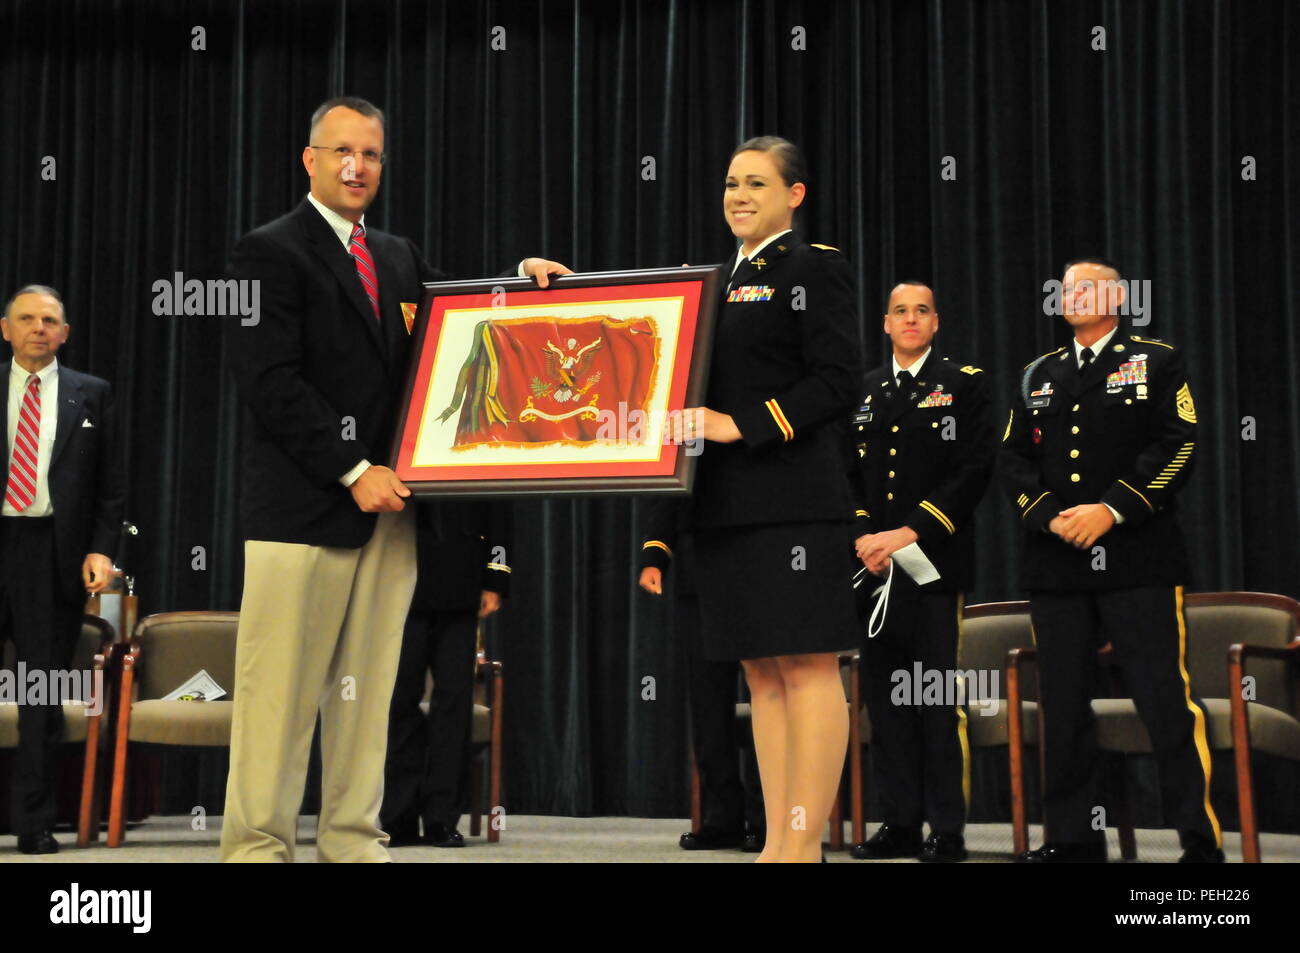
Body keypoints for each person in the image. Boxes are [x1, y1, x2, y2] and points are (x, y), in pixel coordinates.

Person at [221, 95, 569, 862]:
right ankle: (255, 847)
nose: (357, 166)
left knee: (370, 691)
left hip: (394, 514)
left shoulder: (398, 255)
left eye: (371, 154)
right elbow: (270, 382)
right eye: (341, 151)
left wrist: (520, 280)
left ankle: (350, 836)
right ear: (310, 160)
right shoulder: (267, 252)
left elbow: (459, 319)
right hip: (303, 512)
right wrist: (352, 469)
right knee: (278, 695)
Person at [673, 136, 862, 863]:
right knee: (760, 670)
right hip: (722, 505)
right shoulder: (711, 281)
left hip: (793, 501)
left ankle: (802, 841)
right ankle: (779, 842)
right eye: (729, 183)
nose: (739, 195)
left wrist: (740, 425)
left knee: (809, 664)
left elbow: (838, 381)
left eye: (756, 182)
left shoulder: (816, 269)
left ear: (795, 195)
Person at [1001, 256, 1222, 863]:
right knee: (1064, 704)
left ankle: (1197, 842)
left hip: (1137, 557)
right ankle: (1072, 839)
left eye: (1088, 288)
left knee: (1162, 700)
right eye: (1066, 290)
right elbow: (1014, 461)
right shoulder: (1037, 374)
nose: (1073, 296)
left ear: (1118, 299)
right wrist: (1047, 514)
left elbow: (1180, 445)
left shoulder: (1155, 360)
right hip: (1057, 562)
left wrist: (1112, 509)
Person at [846, 281, 995, 862]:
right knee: (886, 704)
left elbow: (974, 470)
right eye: (900, 312)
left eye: (921, 311)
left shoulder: (964, 385)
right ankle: (901, 824)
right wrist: (863, 536)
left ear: (936, 322)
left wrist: (907, 531)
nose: (910, 320)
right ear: (885, 324)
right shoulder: (864, 392)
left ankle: (947, 831)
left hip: (933, 565)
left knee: (932, 700)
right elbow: (849, 477)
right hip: (875, 571)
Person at [0, 285, 123, 854]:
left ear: (65, 333)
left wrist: (101, 550)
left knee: (39, 692)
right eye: (26, 319)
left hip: (51, 554)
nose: (38, 328)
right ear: (6, 328)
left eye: (49, 320)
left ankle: (32, 823)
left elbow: (111, 488)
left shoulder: (91, 394)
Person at [638, 498, 766, 852]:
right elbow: (673, 488)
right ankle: (722, 817)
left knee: (769, 699)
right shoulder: (692, 439)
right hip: (701, 567)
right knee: (707, 701)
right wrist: (655, 555)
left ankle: (765, 820)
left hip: (760, 563)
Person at [382, 501, 511, 847]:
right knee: (398, 701)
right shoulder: (392, 445)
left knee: (454, 703)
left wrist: (496, 579)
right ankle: (397, 816)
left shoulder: (479, 447)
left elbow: (499, 512)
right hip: (399, 581)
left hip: (461, 579)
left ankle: (442, 817)